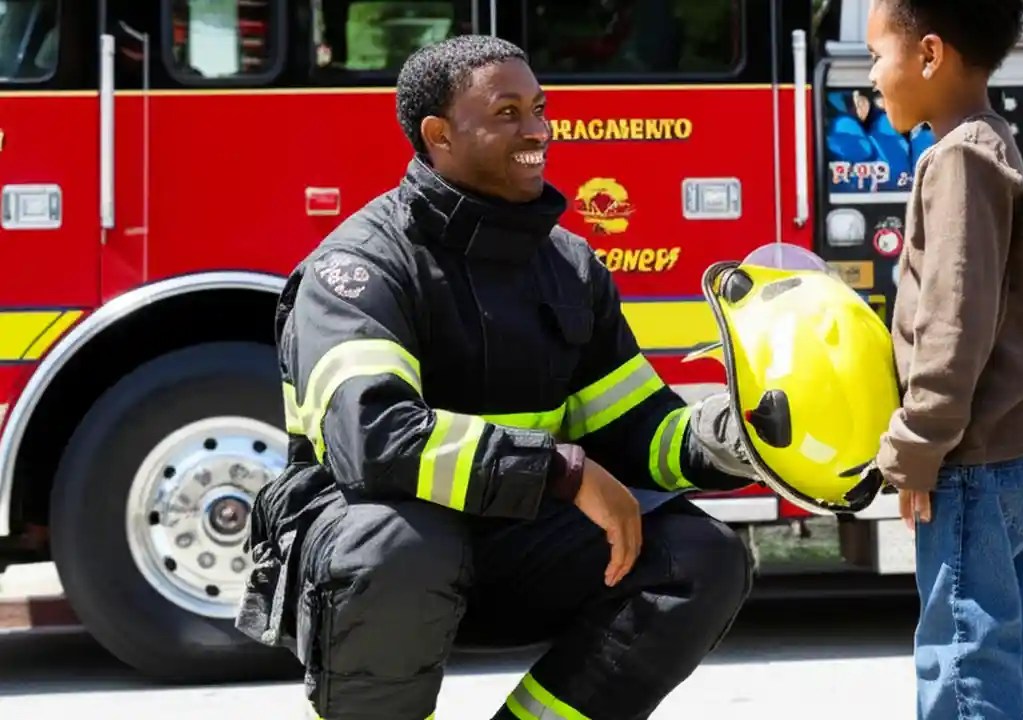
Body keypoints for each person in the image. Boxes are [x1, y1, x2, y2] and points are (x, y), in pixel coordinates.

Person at [235, 34, 761, 720]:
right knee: (401, 544)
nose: (537, 130)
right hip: (379, 554)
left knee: (701, 557)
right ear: (439, 135)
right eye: (507, 113)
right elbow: (375, 439)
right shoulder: (360, 268)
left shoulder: (569, 266)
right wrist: (563, 473)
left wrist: (748, 430)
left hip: (509, 545)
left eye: (539, 108)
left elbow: (639, 428)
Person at [863, 1, 1023, 719]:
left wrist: (917, 442)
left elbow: (955, 318)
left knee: (962, 657)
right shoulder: (989, 142)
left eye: (875, 57)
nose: (870, 79)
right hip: (1011, 449)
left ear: (928, 55)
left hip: (971, 458)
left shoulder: (956, 159)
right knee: (1009, 647)